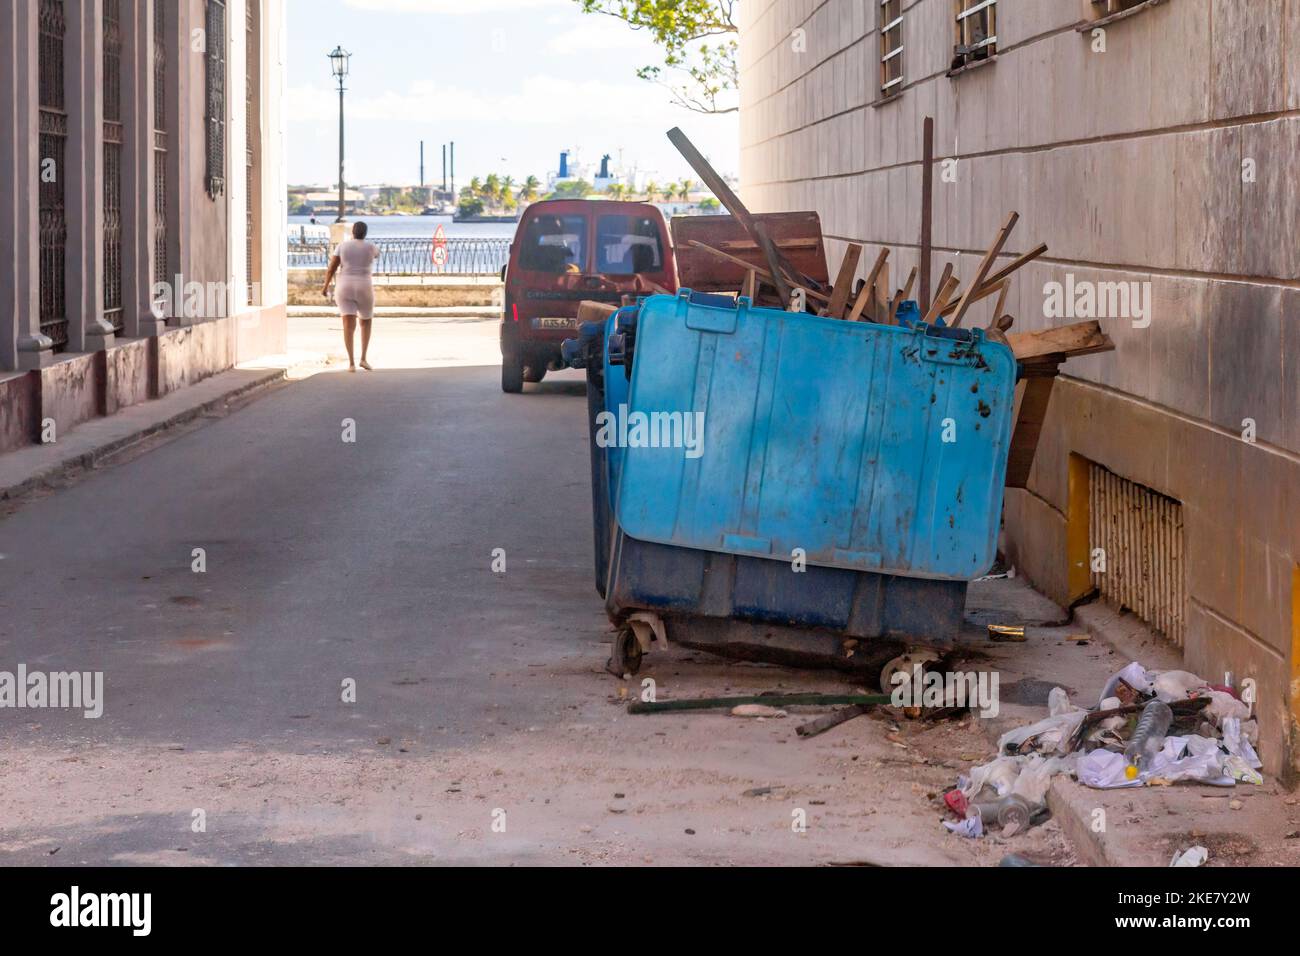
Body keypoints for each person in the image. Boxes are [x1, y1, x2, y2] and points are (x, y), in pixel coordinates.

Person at [321, 221, 379, 371]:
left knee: (348, 325)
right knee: (365, 322)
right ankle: (363, 359)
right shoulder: (371, 247)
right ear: (365, 233)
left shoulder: (342, 246)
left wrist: (325, 286)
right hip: (364, 287)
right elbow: (377, 255)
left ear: (352, 232)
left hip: (344, 287)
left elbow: (331, 268)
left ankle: (351, 363)